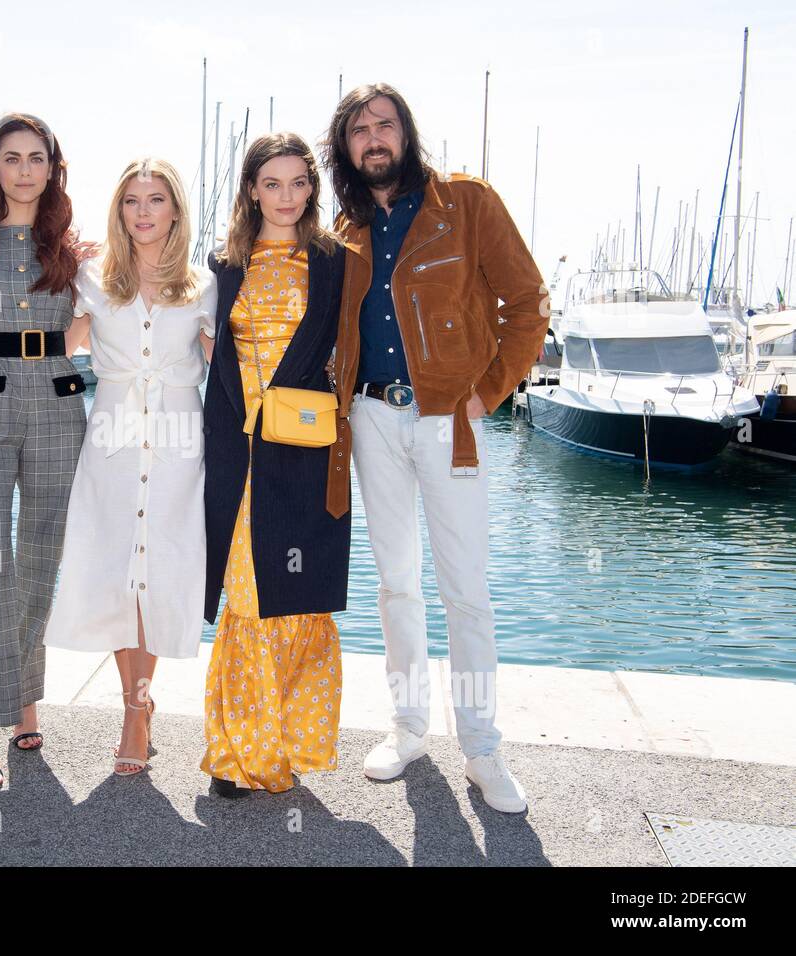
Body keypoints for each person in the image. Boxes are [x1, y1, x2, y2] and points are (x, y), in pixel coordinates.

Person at [322, 83, 549, 813]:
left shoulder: (467, 204)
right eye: (359, 130)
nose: (374, 138)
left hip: (449, 418)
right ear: (347, 147)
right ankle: (409, 725)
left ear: (406, 133)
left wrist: (489, 392)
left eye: (384, 124)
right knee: (396, 584)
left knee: (466, 591)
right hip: (372, 420)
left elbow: (528, 304)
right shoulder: (348, 227)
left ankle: (482, 748)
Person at [45, 157, 216, 776]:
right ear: (119, 211)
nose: (143, 212)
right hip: (112, 447)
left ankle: (140, 703)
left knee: (161, 570)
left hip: (176, 448)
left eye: (156, 200)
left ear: (175, 209)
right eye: (131, 201)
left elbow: (227, 361)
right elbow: (58, 342)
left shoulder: (203, 284)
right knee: (120, 571)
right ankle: (132, 707)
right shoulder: (94, 278)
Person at [201, 133, 350, 797]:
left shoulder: (333, 261)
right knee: (248, 597)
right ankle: (239, 753)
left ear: (312, 188)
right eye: (272, 184)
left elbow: (360, 345)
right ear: (251, 190)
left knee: (295, 593)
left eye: (298, 183)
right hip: (240, 450)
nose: (286, 196)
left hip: (302, 448)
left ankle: (283, 745)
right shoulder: (225, 263)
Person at [0, 112, 85, 788]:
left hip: (59, 402)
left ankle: (24, 699)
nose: (25, 169)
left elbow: (110, 319)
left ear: (52, 168)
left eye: (38, 157)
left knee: (38, 558)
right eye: (12, 157)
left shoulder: (71, 246)